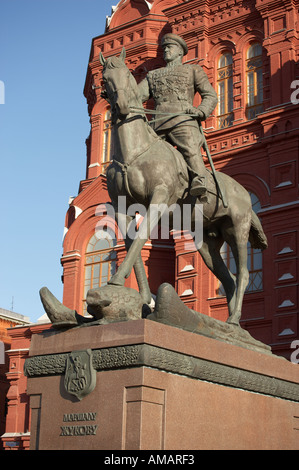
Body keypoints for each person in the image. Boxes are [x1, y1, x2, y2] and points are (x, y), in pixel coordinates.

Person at [138, 33, 218, 197]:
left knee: (189, 147)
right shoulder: (152, 75)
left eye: (170, 47)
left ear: (180, 52)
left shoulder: (192, 70)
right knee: (143, 153)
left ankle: (199, 179)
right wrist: (115, 92)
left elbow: (210, 95)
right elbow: (136, 96)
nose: (166, 50)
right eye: (164, 47)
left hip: (182, 120)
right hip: (157, 124)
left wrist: (200, 111)